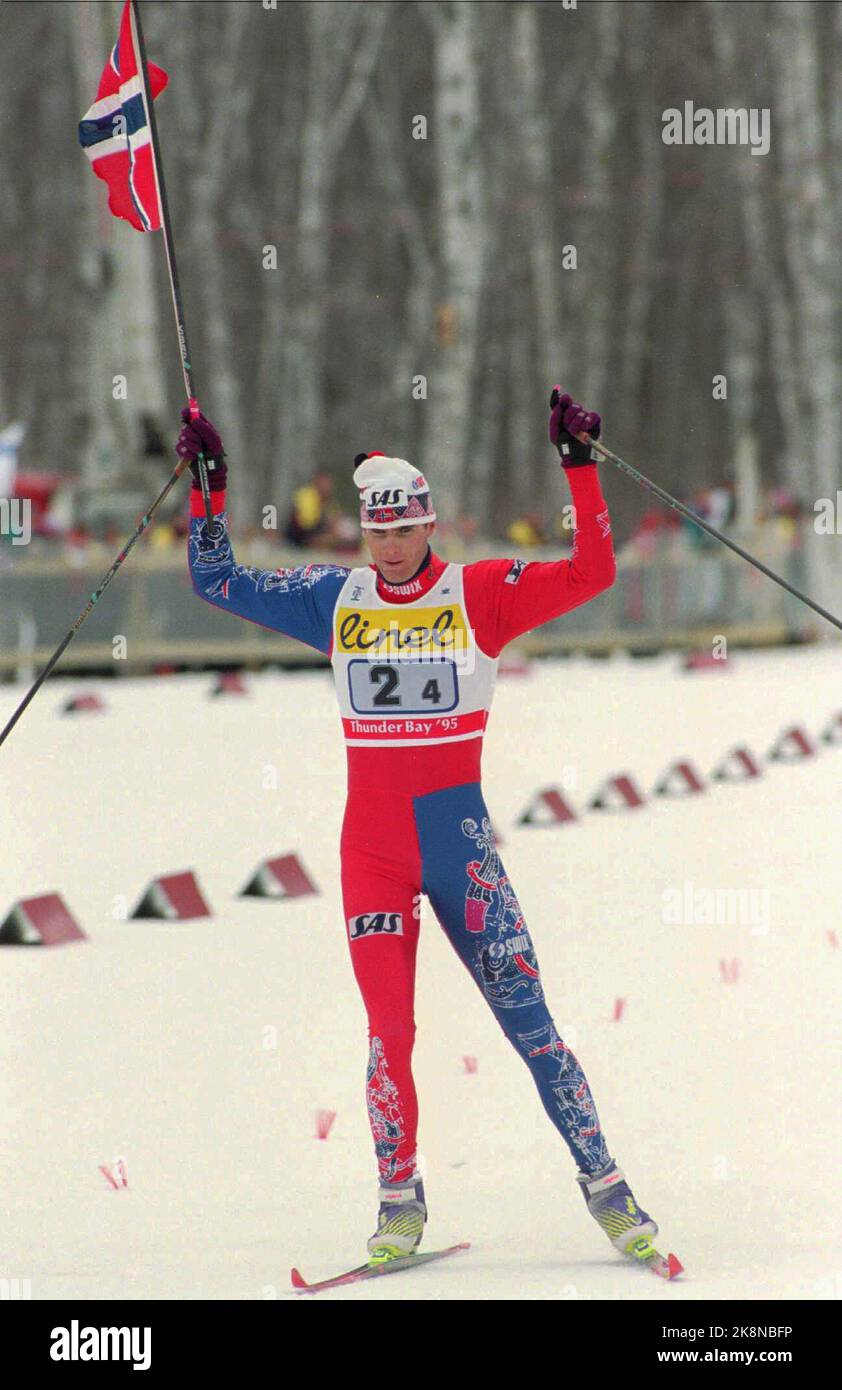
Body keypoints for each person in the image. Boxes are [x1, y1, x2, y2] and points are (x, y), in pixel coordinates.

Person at [178, 389, 660, 1268]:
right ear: (363, 532)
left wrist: (579, 469)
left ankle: (609, 1188)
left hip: (457, 848)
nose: (392, 546)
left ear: (429, 524)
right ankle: (398, 1200)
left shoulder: (480, 593)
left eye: (404, 530)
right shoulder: (336, 598)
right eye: (377, 532)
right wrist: (209, 486)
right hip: (372, 852)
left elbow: (592, 574)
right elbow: (216, 581)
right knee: (388, 1034)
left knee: (532, 1026)